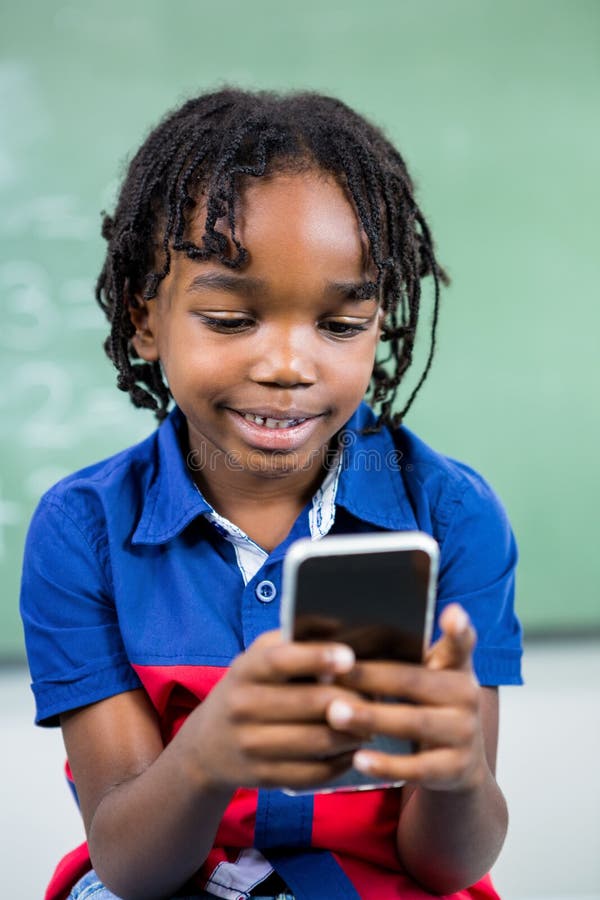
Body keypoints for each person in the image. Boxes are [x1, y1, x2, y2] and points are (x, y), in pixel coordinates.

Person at [20, 88, 522, 900]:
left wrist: (460, 772)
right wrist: (207, 757)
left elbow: (449, 866)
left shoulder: (453, 516)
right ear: (144, 319)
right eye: (228, 318)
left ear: (380, 324)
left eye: (340, 325)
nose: (289, 365)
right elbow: (133, 866)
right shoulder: (82, 530)